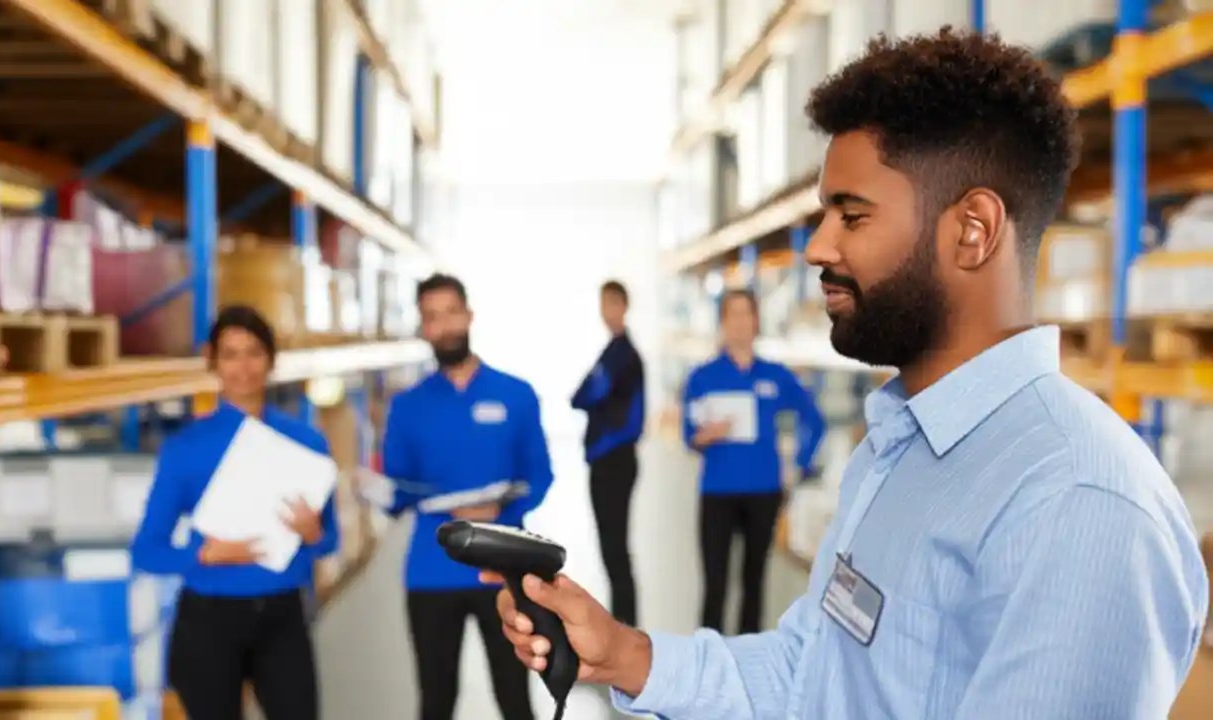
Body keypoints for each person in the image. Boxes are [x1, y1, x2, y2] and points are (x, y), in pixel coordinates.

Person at [486, 29, 1210, 719]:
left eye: (851, 216)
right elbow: (814, 674)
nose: (817, 247)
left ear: (973, 231)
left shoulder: (1076, 505)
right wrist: (628, 656)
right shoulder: (897, 448)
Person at [131, 305, 338, 720]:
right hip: (209, 619)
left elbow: (330, 541)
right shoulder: (186, 448)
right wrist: (206, 555)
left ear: (271, 359)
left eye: (254, 353)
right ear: (212, 362)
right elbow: (146, 551)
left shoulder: (306, 443)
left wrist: (313, 532)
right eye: (230, 355)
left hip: (282, 614)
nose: (243, 367)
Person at [382, 273, 553, 720]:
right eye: (432, 317)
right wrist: (379, 492)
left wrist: (504, 507)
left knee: (515, 699)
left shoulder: (516, 395)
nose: (445, 326)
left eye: (451, 313)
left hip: (503, 568)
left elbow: (540, 475)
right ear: (423, 327)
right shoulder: (407, 406)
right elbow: (395, 489)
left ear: (469, 315)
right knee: (436, 702)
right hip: (431, 572)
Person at [683, 288, 826, 633]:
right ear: (722, 322)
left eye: (746, 313)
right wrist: (706, 435)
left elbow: (813, 418)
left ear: (756, 321)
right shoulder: (702, 378)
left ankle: (748, 655)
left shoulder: (776, 375)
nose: (740, 322)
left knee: (754, 582)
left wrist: (801, 462)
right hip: (717, 492)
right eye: (732, 314)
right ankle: (708, 654)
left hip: (763, 492)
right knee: (715, 583)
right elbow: (689, 435)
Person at [571, 279, 645, 626]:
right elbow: (581, 395)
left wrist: (591, 396)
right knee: (611, 548)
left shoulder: (624, 357)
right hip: (606, 460)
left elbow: (588, 395)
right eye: (603, 304)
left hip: (614, 460)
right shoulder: (612, 352)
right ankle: (623, 624)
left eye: (612, 303)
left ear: (624, 306)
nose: (606, 311)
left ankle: (625, 627)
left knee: (615, 548)